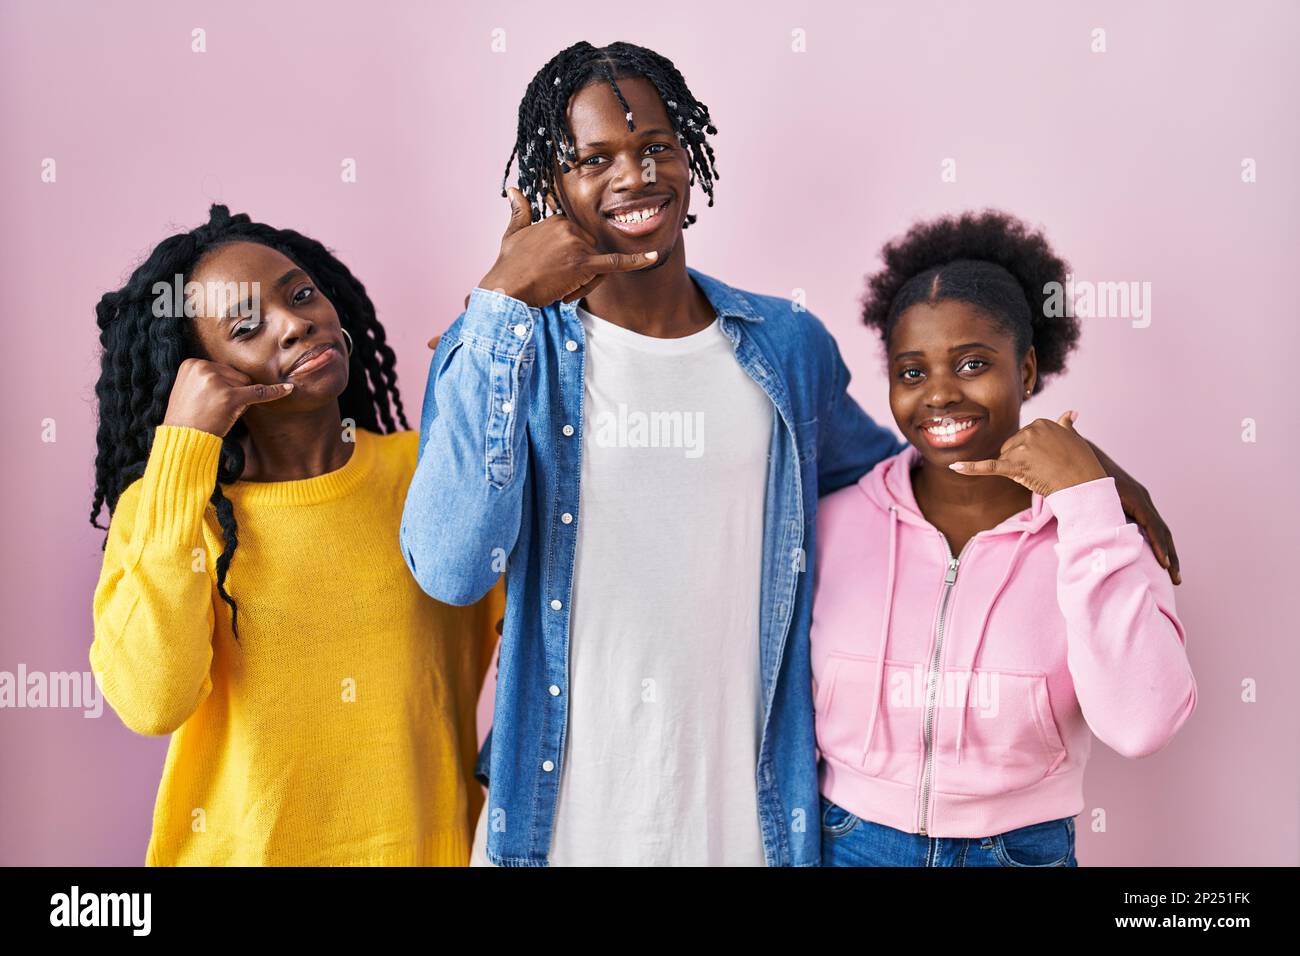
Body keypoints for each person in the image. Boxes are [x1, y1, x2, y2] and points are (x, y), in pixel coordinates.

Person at [400, 42, 1178, 866]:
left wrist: (1089, 474)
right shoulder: (504, 350)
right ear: (550, 189)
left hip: (750, 821)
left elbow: (912, 476)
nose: (635, 176)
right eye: (595, 159)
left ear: (690, 157)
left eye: (657, 145)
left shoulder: (784, 347)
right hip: (558, 818)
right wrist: (497, 309)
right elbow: (451, 567)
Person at [90, 204, 502, 865]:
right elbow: (151, 701)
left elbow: (561, 632)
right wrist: (182, 450)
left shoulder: (428, 473)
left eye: (302, 294)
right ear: (204, 372)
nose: (295, 323)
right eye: (247, 327)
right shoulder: (172, 507)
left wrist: (502, 352)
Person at [812, 211, 1197, 866]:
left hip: (1020, 851)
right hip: (849, 843)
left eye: (971, 364)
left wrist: (1084, 502)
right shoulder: (834, 519)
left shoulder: (1095, 528)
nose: (939, 394)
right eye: (911, 372)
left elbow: (1142, 725)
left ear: (1025, 371)